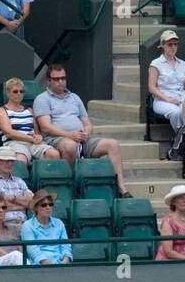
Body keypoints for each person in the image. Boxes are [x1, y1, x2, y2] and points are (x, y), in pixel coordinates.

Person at [34, 63, 129, 196]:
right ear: (49, 80)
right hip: (57, 139)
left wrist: (86, 133)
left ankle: (121, 188)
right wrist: (70, 135)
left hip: (81, 139)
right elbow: (46, 127)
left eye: (63, 78)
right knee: (70, 146)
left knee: (112, 144)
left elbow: (88, 124)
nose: (61, 81)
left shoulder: (74, 97)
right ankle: (73, 186)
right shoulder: (42, 99)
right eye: (56, 79)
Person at [20, 191, 71, 264]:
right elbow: (32, 251)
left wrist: (65, 260)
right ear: (36, 207)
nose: (48, 207)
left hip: (61, 263)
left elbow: (65, 245)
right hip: (40, 267)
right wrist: (48, 263)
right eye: (44, 205)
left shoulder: (59, 223)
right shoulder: (27, 225)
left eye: (50, 204)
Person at [0, 149, 32, 226]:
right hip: (3, 224)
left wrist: (13, 198)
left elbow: (31, 202)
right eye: (5, 160)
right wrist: (23, 206)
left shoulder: (19, 181)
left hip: (24, 224)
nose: (9, 163)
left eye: (11, 161)